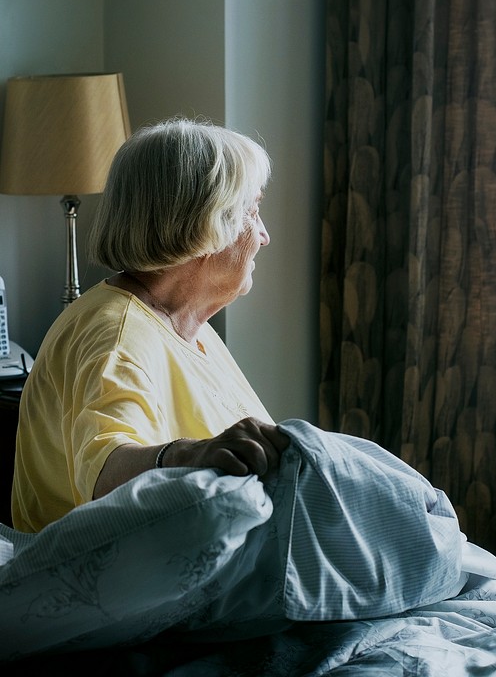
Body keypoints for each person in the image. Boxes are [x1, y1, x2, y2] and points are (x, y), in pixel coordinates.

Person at [11, 117, 289, 533]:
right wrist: (192, 456)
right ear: (207, 222)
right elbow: (105, 474)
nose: (264, 236)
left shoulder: (190, 327)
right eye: (254, 210)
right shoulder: (116, 335)